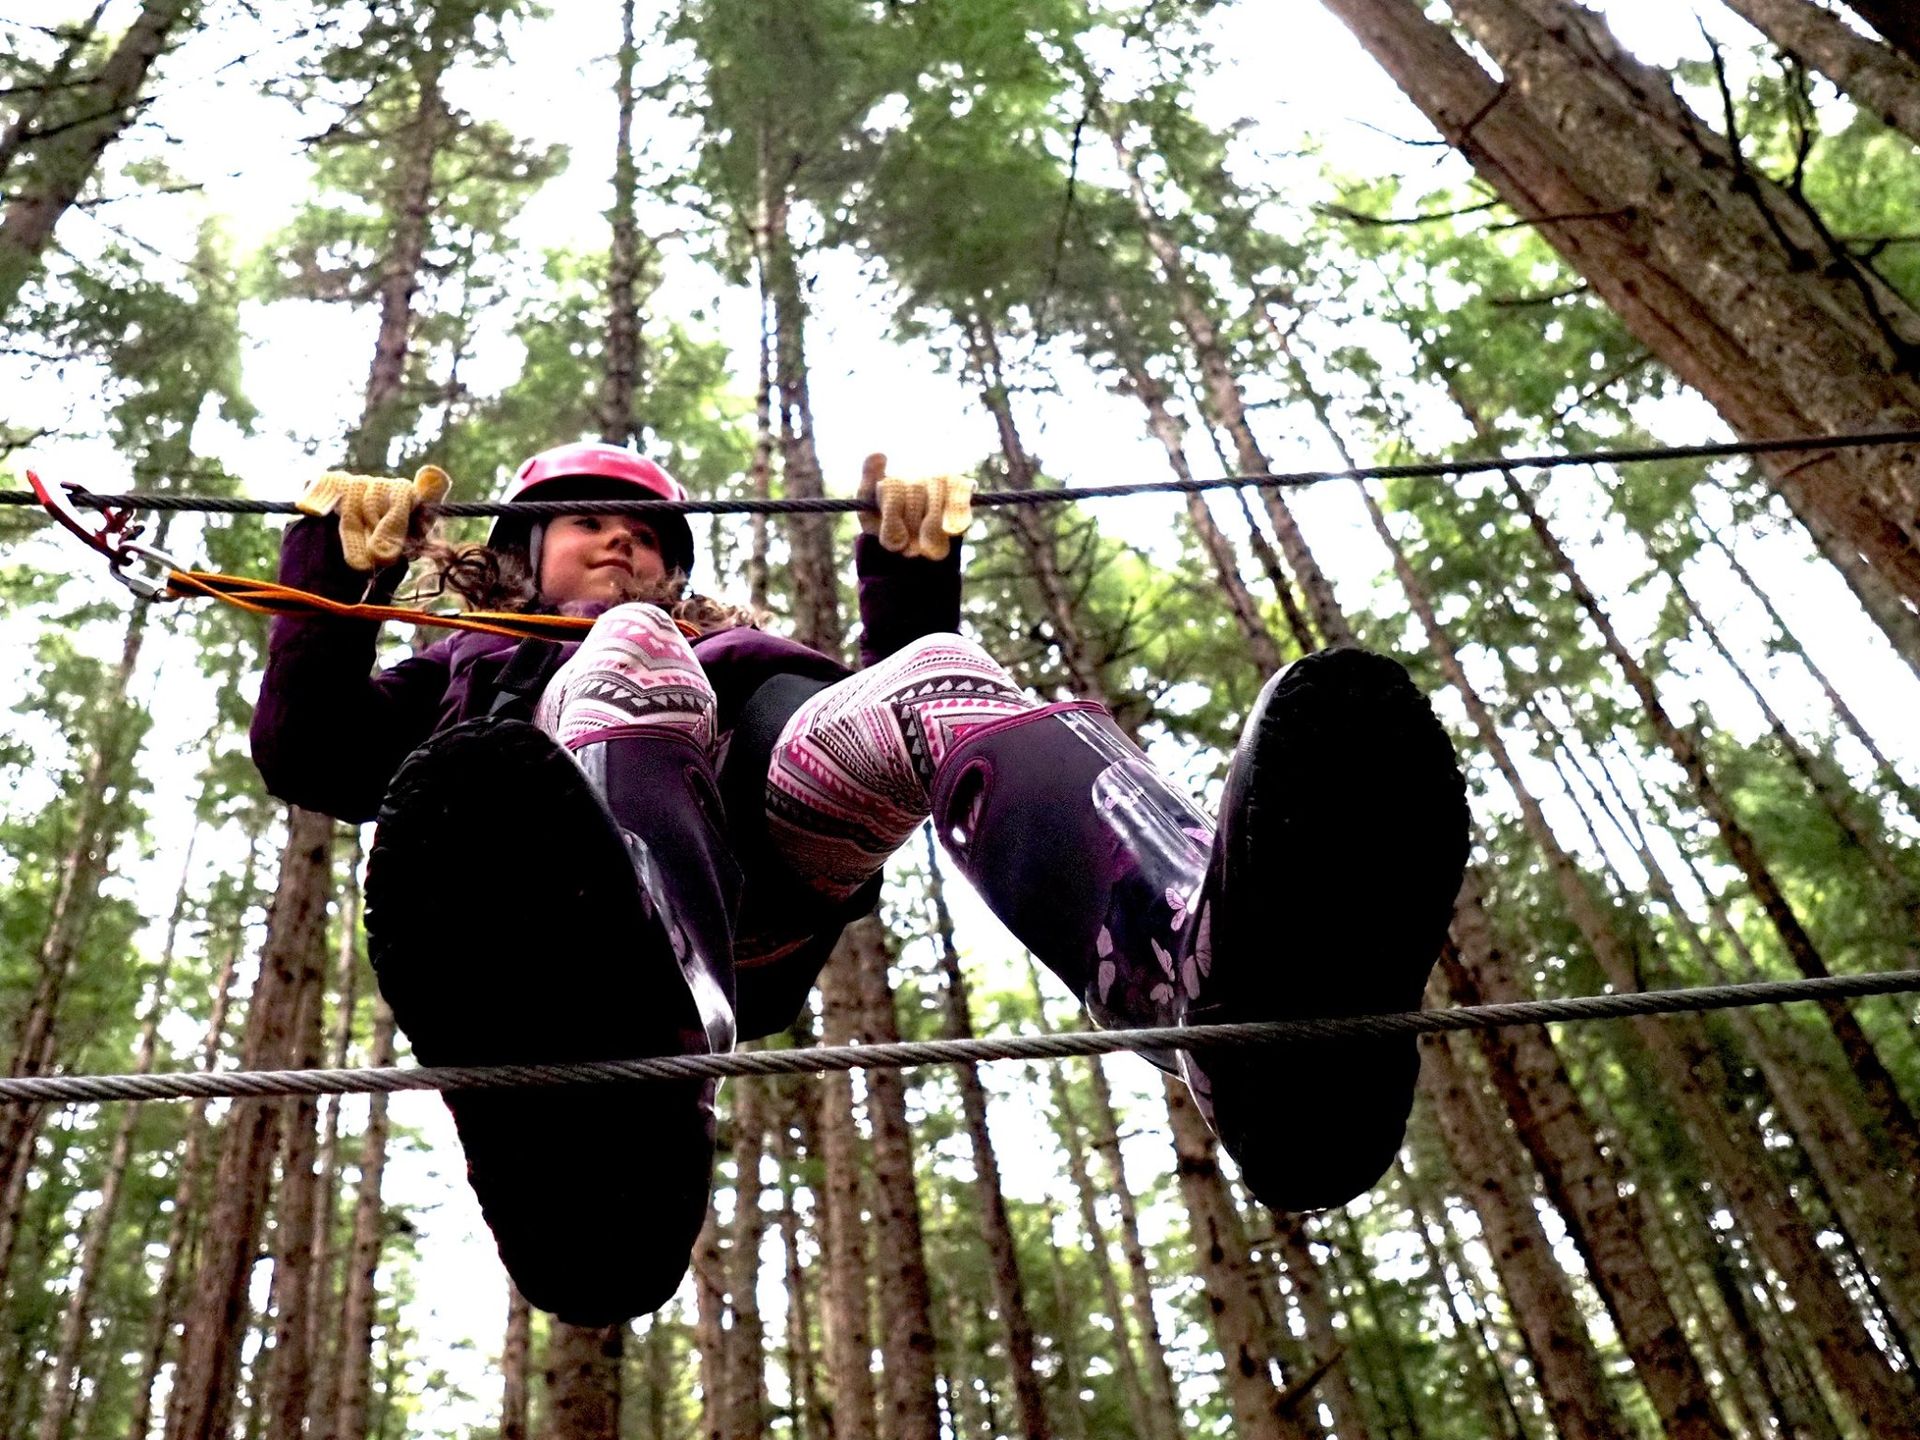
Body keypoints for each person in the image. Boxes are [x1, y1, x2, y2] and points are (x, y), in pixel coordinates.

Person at [250, 441, 1469, 1327]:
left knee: (935, 674)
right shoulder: (467, 665)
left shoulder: (740, 641)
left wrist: (906, 579)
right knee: (624, 661)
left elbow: (875, 728)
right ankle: (619, 1074)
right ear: (519, 552)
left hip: (765, 877)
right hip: (580, 909)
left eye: (650, 537)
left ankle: (1216, 990)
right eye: (586, 524)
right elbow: (312, 750)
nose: (623, 542)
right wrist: (330, 574)